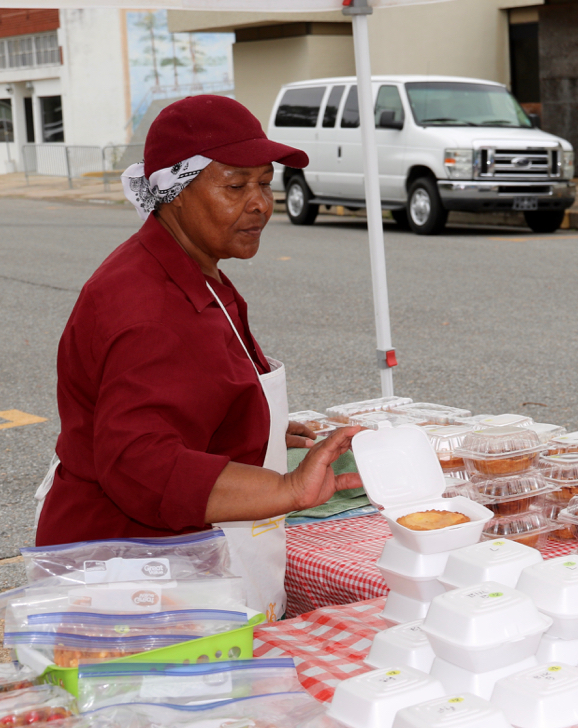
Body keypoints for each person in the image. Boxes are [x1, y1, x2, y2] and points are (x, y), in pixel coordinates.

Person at [34, 95, 362, 621]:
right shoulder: (144, 304)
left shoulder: (192, 267)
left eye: (265, 182)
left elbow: (183, 396)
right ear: (174, 193)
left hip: (169, 559)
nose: (260, 203)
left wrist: (256, 427)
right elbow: (140, 464)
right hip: (130, 577)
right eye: (236, 186)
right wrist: (288, 487)